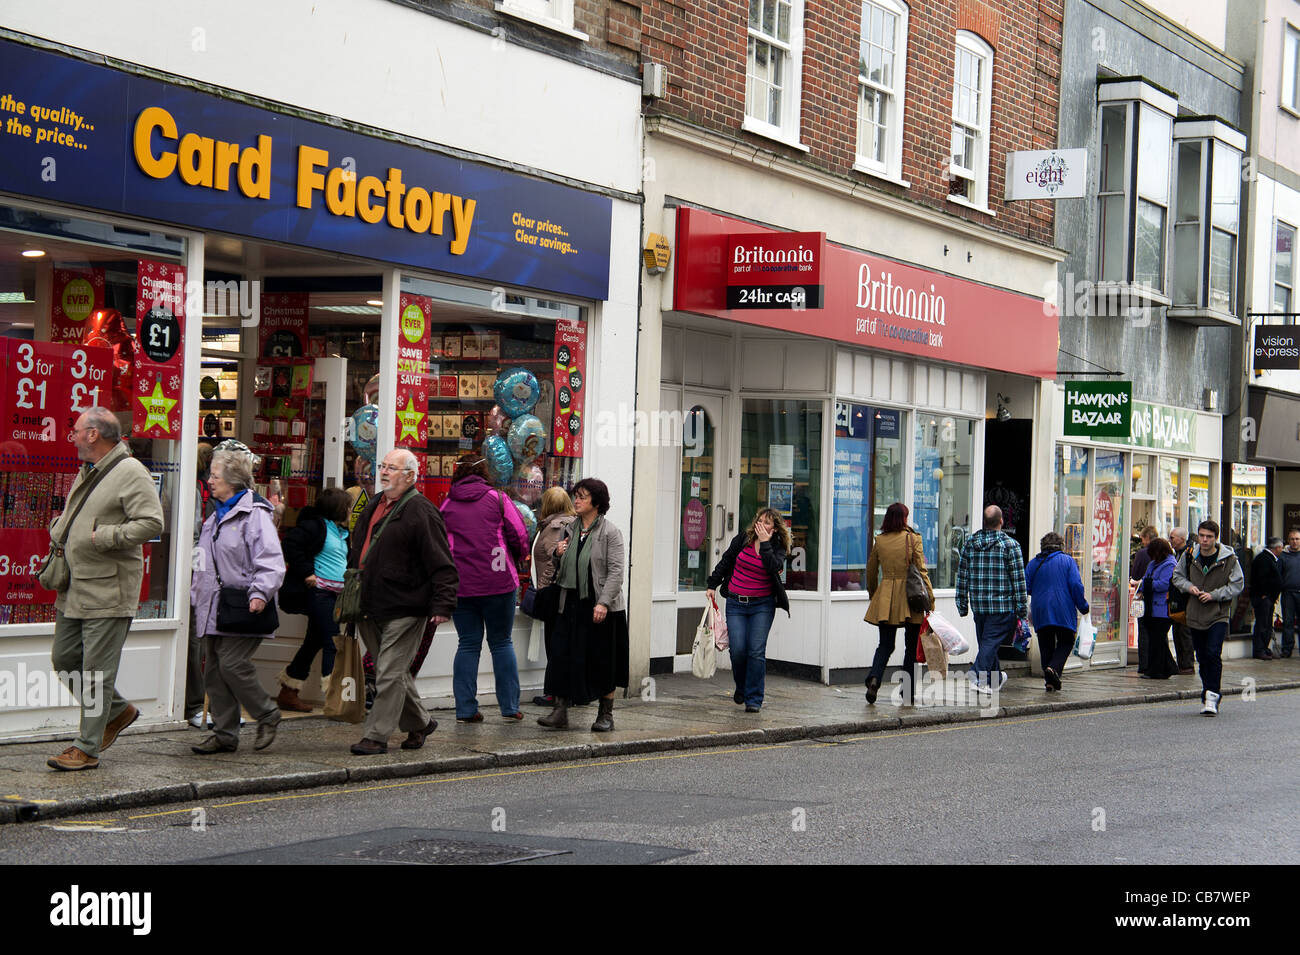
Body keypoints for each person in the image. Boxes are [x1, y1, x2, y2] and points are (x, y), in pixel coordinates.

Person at [46, 408, 164, 771]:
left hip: (109, 590)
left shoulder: (130, 471)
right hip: (75, 585)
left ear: (95, 434)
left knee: (96, 672)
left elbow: (152, 522)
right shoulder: (90, 470)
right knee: (65, 661)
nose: (74, 436)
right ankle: (117, 711)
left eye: (77, 431)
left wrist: (105, 536)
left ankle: (87, 747)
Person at [348, 448, 458, 754]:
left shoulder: (421, 511)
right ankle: (420, 722)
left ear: (410, 476)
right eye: (382, 466)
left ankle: (376, 735)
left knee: (389, 671)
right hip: (370, 603)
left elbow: (442, 562)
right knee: (391, 669)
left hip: (407, 606)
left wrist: (442, 603)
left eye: (392, 468)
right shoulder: (375, 504)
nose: (383, 472)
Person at [189, 449, 285, 754]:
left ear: (232, 480)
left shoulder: (254, 514)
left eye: (215, 476)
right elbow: (204, 562)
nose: (210, 480)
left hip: (243, 605)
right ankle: (225, 734)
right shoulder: (215, 514)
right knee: (214, 672)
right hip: (214, 606)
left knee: (231, 664)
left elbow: (271, 560)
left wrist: (259, 594)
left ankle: (267, 713)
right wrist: (196, 596)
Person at [440, 456, 530, 723]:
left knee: (467, 644)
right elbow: (520, 535)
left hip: (461, 584)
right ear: (484, 473)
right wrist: (521, 555)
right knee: (501, 642)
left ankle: (466, 709)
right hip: (498, 581)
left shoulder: (447, 504)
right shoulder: (498, 498)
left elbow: (439, 542)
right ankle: (510, 707)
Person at [538, 478, 629, 731]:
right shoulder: (569, 529)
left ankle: (605, 715)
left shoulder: (611, 532)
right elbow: (559, 568)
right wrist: (557, 554)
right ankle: (560, 711)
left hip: (600, 606)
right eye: (575, 495)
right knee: (562, 656)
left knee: (603, 660)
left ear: (596, 503)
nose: (576, 500)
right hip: (570, 603)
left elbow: (616, 572)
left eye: (582, 497)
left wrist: (603, 603)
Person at [706, 507, 792, 712]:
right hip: (736, 603)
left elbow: (773, 567)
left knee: (755, 651)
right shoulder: (743, 539)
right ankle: (742, 687)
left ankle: (753, 699)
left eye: (768, 522)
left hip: (762, 605)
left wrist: (764, 543)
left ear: (776, 528)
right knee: (737, 650)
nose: (762, 525)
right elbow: (726, 561)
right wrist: (712, 584)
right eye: (760, 520)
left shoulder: (778, 547)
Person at [275, 487, 352, 710]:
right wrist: (308, 572)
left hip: (335, 595)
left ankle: (288, 692)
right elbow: (290, 545)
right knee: (332, 642)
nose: (350, 510)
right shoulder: (314, 526)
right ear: (337, 508)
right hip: (319, 594)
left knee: (314, 641)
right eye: (347, 506)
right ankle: (336, 698)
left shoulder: (341, 532)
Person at [1172, 520, 1244, 716]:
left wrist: (1214, 595)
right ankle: (1207, 692)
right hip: (1194, 614)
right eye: (1202, 536)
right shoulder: (1189, 555)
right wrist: (1189, 587)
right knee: (1202, 657)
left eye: (1209, 537)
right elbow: (1177, 577)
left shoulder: (1229, 559)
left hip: (1218, 614)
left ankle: (1212, 696)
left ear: (1216, 538)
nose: (1205, 540)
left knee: (1213, 653)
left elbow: (1237, 585)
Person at [861, 503, 931, 705]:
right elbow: (921, 571)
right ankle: (907, 691)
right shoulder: (913, 538)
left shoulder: (880, 540)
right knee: (911, 647)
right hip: (911, 598)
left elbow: (871, 571)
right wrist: (930, 599)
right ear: (904, 519)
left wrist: (875, 594)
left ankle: (874, 678)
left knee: (885, 644)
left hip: (887, 597)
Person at [955, 505, 1027, 695]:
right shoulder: (1010, 545)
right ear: (1001, 521)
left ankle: (994, 680)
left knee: (988, 644)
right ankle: (976, 675)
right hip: (1002, 607)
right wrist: (1022, 609)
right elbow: (1019, 580)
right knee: (989, 644)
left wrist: (962, 604)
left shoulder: (970, 544)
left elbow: (962, 576)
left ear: (984, 522)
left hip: (979, 606)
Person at [1025, 532, 1089, 692]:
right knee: (1066, 641)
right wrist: (1083, 606)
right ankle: (1053, 669)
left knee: (1045, 644)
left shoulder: (1033, 563)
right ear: (1060, 546)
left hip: (1040, 609)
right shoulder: (1067, 561)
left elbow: (1026, 586)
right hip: (1062, 608)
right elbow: (1076, 585)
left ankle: (1050, 682)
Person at [530, 487, 576, 707]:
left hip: (553, 591)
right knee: (564, 644)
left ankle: (555, 694)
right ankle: (567, 691)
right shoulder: (572, 523)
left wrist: (543, 587)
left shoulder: (554, 527)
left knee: (554, 643)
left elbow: (552, 561)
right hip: (564, 592)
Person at [185, 442, 216, 728]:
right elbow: (195, 531)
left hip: (200, 569)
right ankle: (195, 704)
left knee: (202, 639)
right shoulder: (197, 489)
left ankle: (205, 704)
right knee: (197, 640)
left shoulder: (201, 489)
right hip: (198, 570)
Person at [1138, 537, 1178, 679]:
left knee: (1157, 640)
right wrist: (1146, 584)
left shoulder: (1170, 564)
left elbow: (1164, 584)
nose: (1152, 556)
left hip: (1162, 609)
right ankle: (1168, 668)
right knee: (1157, 640)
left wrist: (1148, 584)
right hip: (1150, 608)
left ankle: (1156, 670)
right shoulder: (1153, 564)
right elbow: (1145, 580)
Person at [1129, 525, 1158, 674]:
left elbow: (1135, 574)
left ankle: (1144, 664)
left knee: (1143, 630)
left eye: (1143, 538)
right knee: (1158, 632)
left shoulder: (1142, 554)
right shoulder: (1166, 553)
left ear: (1147, 538)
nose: (1142, 542)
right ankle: (1156, 663)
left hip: (1143, 596)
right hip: (1159, 599)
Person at [1249, 537, 1284, 660]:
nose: (1282, 550)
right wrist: (1264, 595)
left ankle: (1265, 648)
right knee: (1262, 624)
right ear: (1277, 548)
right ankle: (1259, 650)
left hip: (1269, 598)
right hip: (1263, 598)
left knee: (1268, 624)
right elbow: (1260, 579)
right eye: (1281, 547)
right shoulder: (1263, 559)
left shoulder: (1271, 559)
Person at [1168, 527, 1196, 673]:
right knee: (1177, 631)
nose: (1170, 540)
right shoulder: (1176, 554)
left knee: (1185, 633)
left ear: (1181, 539)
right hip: (1176, 599)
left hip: (1186, 598)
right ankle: (1181, 663)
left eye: (1172, 537)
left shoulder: (1189, 554)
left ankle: (1187, 664)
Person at [1278, 528, 1300, 658]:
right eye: (1292, 539)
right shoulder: (1283, 556)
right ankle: (1287, 649)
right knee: (1288, 622)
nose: (1295, 542)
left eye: (1297, 539)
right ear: (1288, 540)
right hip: (1288, 594)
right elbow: (1278, 576)